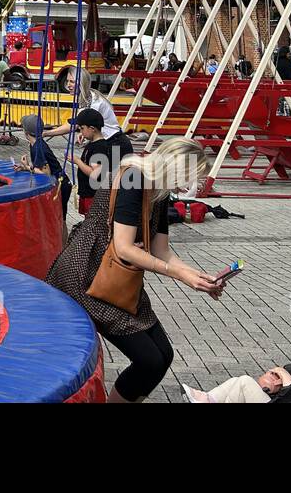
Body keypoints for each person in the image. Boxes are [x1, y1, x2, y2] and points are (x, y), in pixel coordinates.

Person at [46, 135, 225, 403]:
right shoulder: (135, 179)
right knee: (149, 360)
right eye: (191, 176)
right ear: (175, 166)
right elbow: (125, 248)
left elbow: (161, 250)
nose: (191, 185)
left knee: (163, 355)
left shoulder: (160, 190)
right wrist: (179, 274)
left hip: (115, 276)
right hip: (86, 276)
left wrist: (197, 277)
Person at [184, 346, 291, 403]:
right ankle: (208, 398)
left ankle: (208, 400)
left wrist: (284, 375)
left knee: (245, 382)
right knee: (236, 384)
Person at [64, 107, 133, 217]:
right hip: (88, 193)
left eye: (82, 128)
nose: (80, 132)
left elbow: (94, 173)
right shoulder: (94, 144)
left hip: (93, 195)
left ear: (92, 128)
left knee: (92, 221)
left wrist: (77, 161)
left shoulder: (99, 148)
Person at [45, 64, 121, 140]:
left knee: (107, 152)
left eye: (72, 82)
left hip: (115, 141)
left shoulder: (93, 101)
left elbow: (74, 124)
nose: (68, 85)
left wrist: (45, 133)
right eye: (67, 81)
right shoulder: (86, 96)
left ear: (81, 83)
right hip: (110, 140)